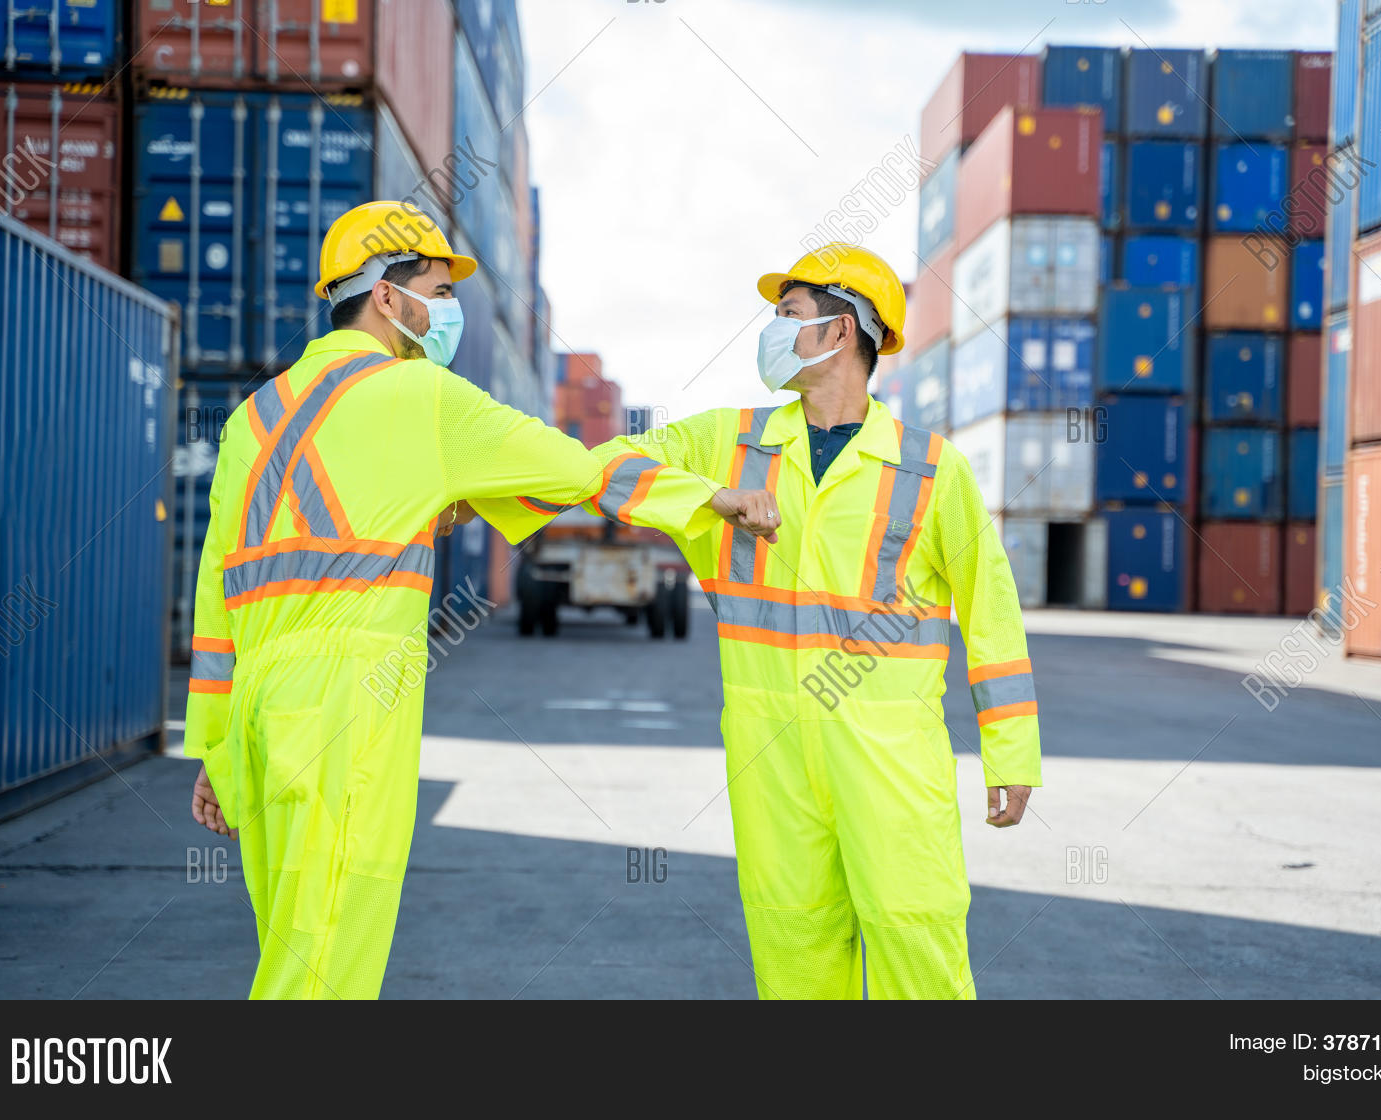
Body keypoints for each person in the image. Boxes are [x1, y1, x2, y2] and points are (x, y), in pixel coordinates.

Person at [184, 200, 780, 999]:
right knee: (323, 970)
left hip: (257, 713)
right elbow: (580, 470)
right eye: (439, 287)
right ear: (388, 298)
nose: (450, 309)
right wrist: (709, 499)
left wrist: (212, 751)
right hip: (346, 707)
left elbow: (217, 599)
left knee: (294, 946)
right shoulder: (424, 396)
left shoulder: (252, 418)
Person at [493, 242, 1042, 999]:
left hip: (890, 759)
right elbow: (605, 469)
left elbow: (992, 612)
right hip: (771, 757)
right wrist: (709, 500)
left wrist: (1012, 754)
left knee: (917, 937)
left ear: (842, 332)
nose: (773, 329)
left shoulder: (930, 469)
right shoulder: (731, 444)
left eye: (788, 314)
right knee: (793, 949)